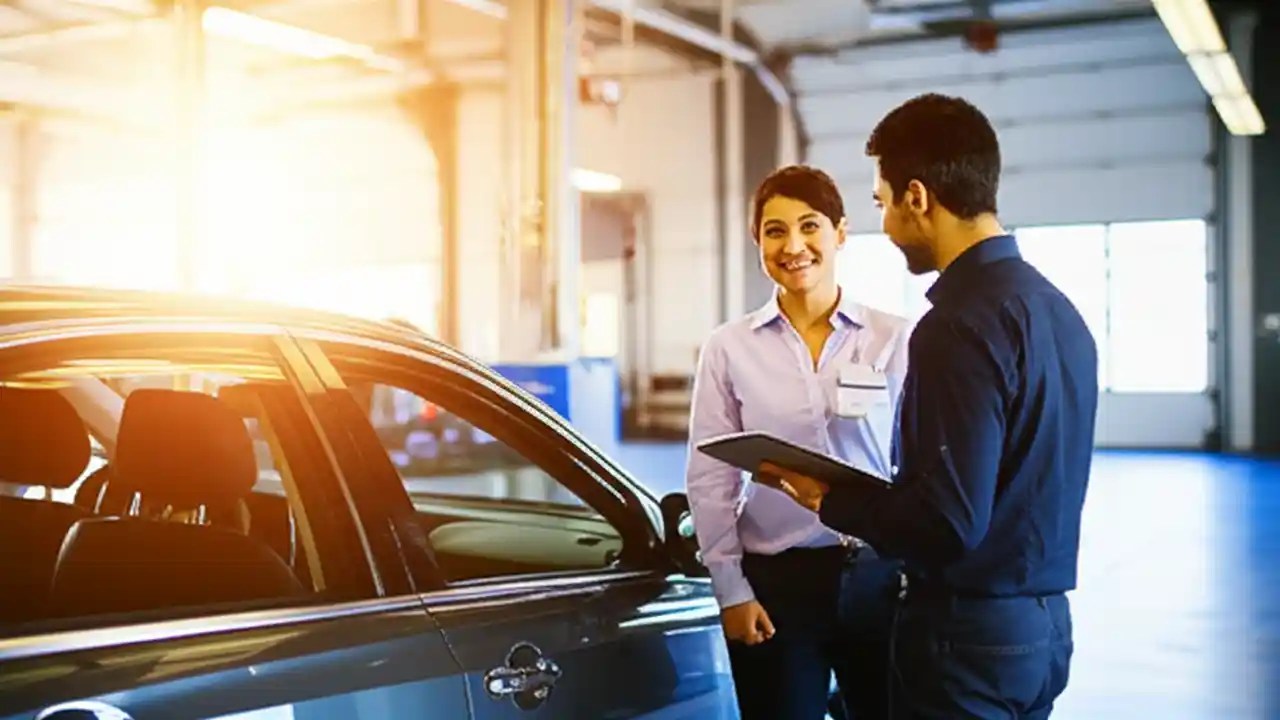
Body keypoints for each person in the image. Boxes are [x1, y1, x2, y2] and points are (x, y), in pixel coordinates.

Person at [758, 94, 1098, 719]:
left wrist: (827, 499)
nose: (885, 226)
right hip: (1044, 631)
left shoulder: (955, 326)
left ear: (918, 198)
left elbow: (948, 522)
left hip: (966, 638)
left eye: (883, 204)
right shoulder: (1059, 312)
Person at [685, 164, 912, 719]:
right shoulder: (729, 347)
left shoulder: (895, 339)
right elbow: (710, 474)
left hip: (880, 577)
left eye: (810, 227)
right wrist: (731, 591)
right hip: (778, 584)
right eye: (775, 231)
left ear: (840, 233)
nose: (794, 246)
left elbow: (919, 461)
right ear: (757, 240)